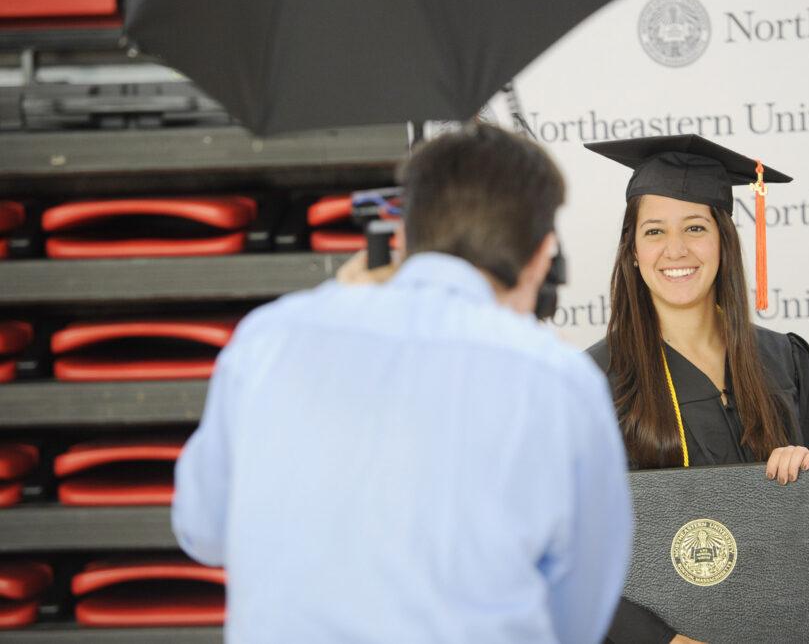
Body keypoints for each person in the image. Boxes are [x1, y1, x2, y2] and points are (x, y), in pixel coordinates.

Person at [173, 124, 633, 644]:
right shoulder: (560, 383)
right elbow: (578, 617)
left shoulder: (267, 338)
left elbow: (202, 530)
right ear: (544, 258)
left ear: (398, 240)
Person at [583, 134, 809, 643]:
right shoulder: (593, 380)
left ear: (724, 241)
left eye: (696, 227)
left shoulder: (784, 359)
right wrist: (663, 640)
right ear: (632, 251)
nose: (675, 250)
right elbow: (568, 546)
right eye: (654, 231)